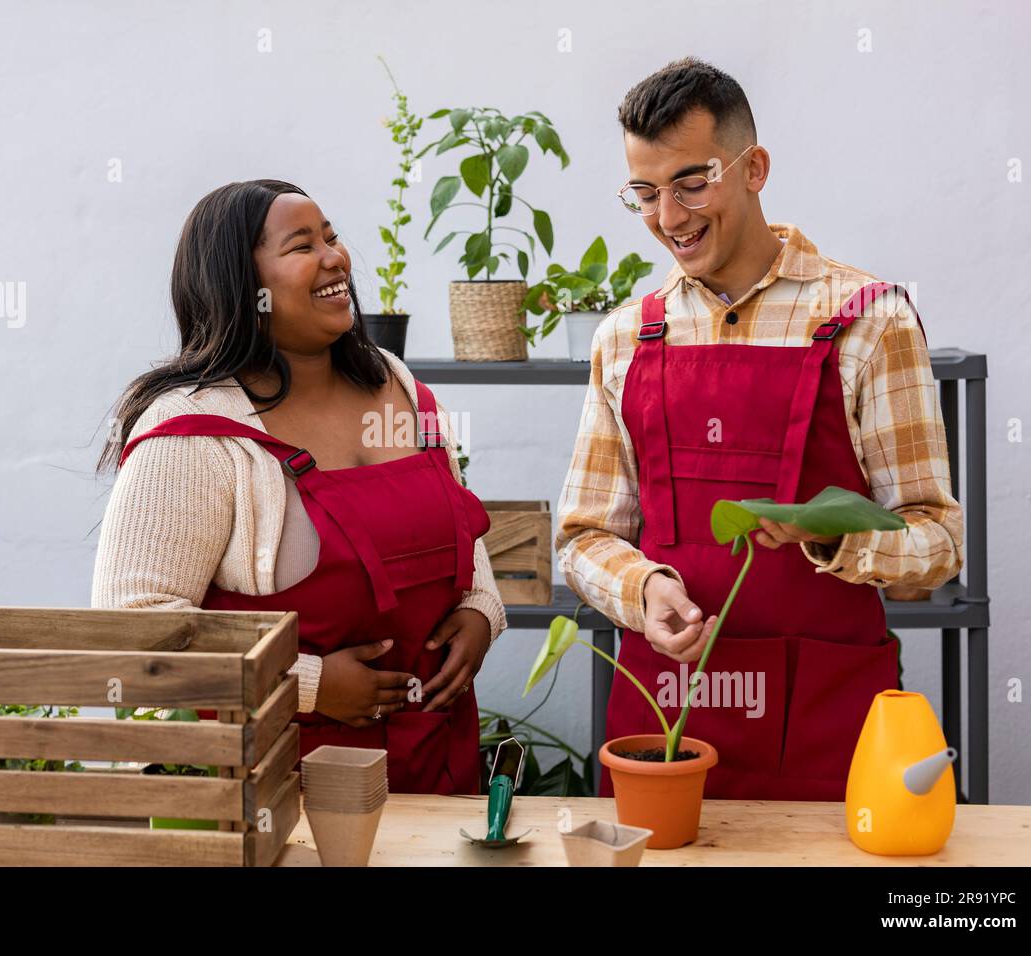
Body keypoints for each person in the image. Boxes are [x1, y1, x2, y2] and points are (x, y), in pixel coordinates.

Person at [555, 58, 964, 800]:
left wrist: (834, 538)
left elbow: (938, 540)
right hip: (666, 728)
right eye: (645, 193)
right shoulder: (625, 337)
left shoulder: (870, 323)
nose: (669, 217)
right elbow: (583, 536)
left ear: (754, 168)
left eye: (692, 182)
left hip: (827, 729)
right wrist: (643, 589)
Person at [92, 179, 506, 794]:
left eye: (332, 237)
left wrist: (481, 611)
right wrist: (306, 684)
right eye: (301, 245)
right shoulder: (193, 430)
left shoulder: (394, 383)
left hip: (433, 762)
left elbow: (456, 521)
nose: (336, 257)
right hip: (280, 785)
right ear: (242, 283)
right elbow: (131, 630)